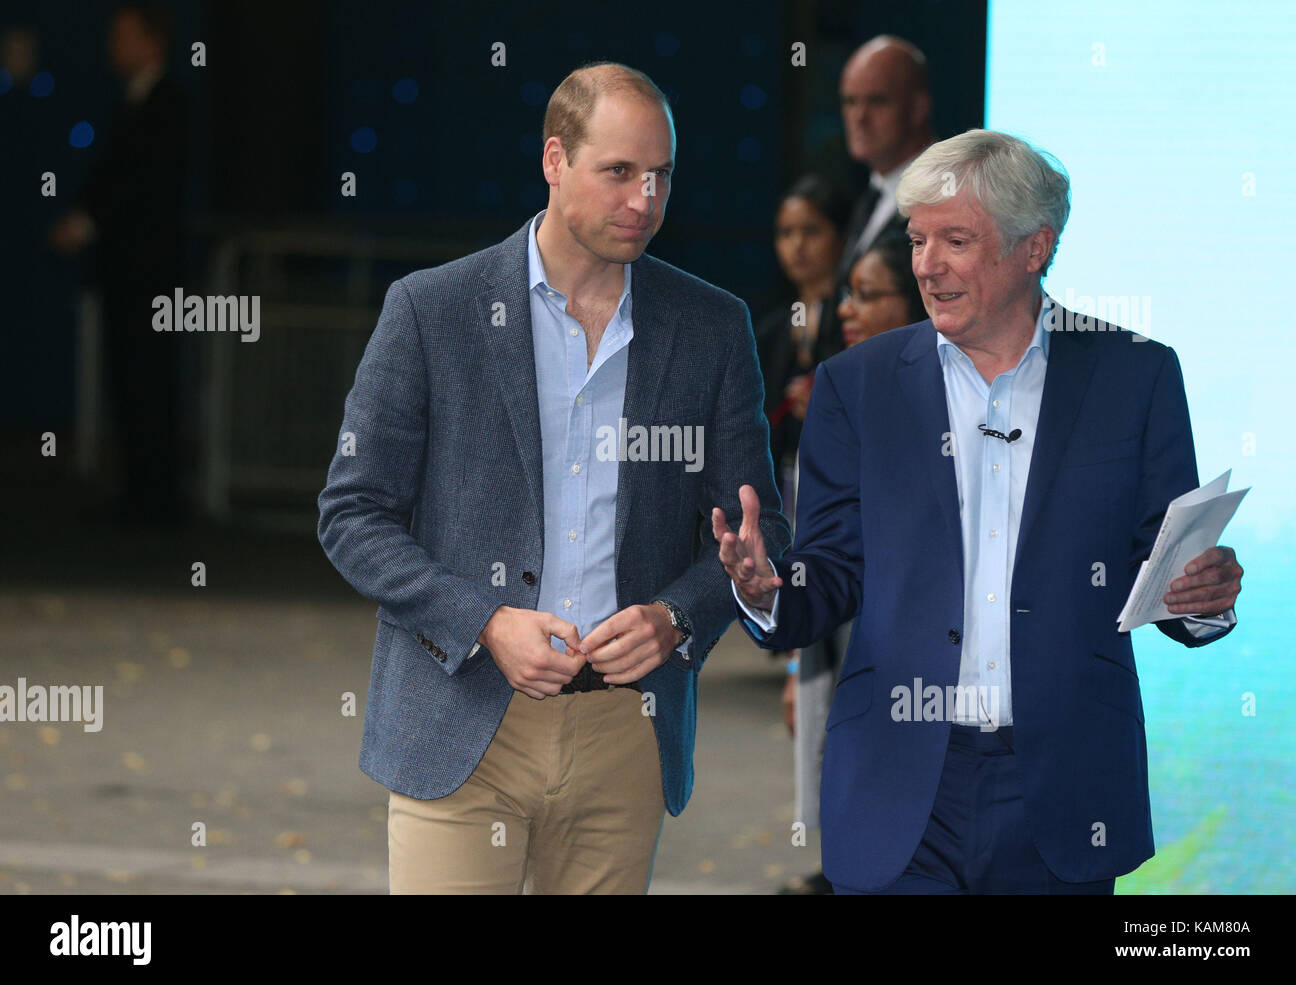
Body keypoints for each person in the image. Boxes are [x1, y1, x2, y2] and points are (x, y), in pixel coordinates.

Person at [714, 129, 1244, 894]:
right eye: (918, 239)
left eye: (955, 240)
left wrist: (1201, 597)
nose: (926, 265)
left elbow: (1160, 563)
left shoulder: (1137, 375)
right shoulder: (858, 385)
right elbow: (832, 568)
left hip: (1063, 789)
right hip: (900, 788)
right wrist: (768, 590)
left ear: (1035, 247)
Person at [317, 62, 790, 894]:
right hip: (460, 717)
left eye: (661, 176)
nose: (645, 199)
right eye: (619, 172)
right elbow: (352, 514)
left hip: (626, 729)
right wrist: (485, 620)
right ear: (554, 161)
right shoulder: (434, 310)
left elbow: (757, 530)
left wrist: (679, 616)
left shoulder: (712, 327)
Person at [776, 230, 926, 895]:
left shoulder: (939, 404)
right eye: (848, 294)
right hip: (841, 633)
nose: (847, 309)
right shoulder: (841, 389)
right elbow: (824, 554)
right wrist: (792, 655)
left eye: (868, 295)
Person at [50, 3, 188, 521]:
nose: (113, 46)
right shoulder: (132, 101)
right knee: (129, 381)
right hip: (127, 275)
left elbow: (138, 185)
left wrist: (86, 223)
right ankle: (140, 493)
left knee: (147, 380)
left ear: (153, 42)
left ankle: (156, 498)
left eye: (123, 36)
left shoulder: (167, 101)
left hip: (148, 277)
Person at [817, 35, 932, 364]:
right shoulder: (869, 196)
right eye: (850, 102)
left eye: (877, 101)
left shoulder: (946, 197)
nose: (859, 117)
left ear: (918, 108)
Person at [754, 174, 851, 528]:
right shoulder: (771, 329)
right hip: (780, 493)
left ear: (842, 237)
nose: (797, 246)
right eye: (786, 233)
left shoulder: (857, 323)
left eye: (811, 231)